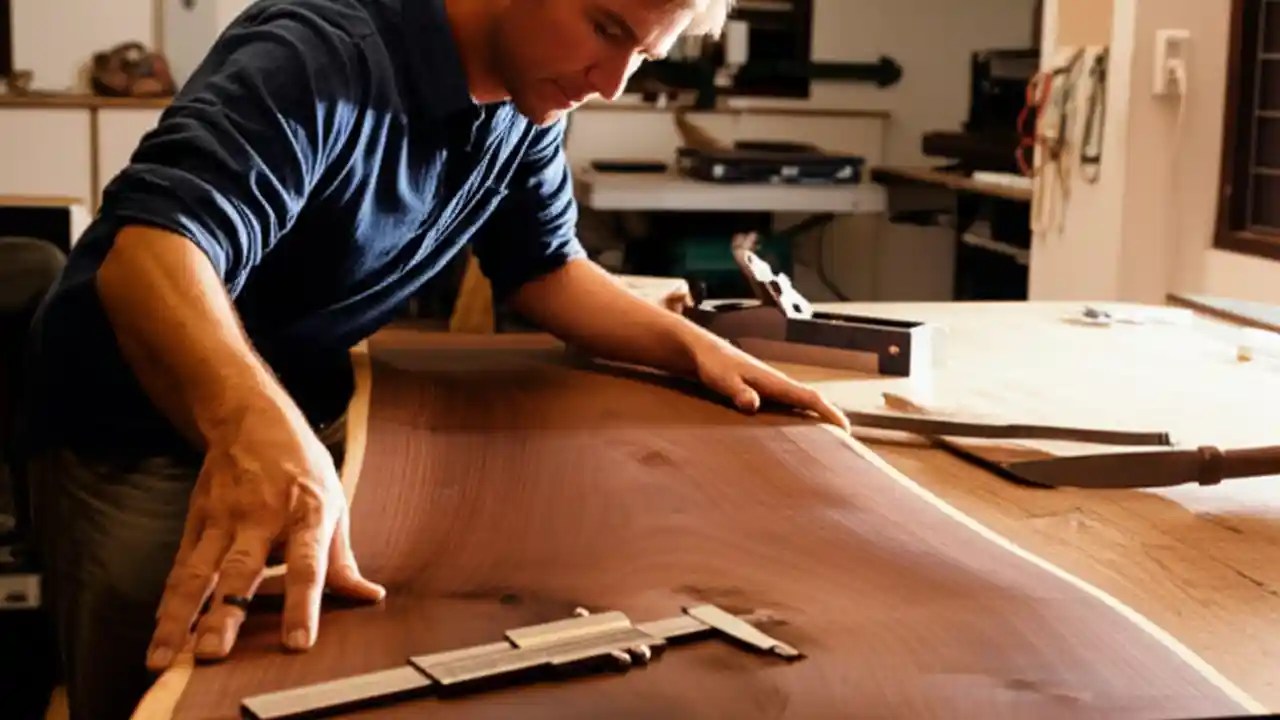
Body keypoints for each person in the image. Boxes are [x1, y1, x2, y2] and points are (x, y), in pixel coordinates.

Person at [23, 0, 852, 717]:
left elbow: (547, 268)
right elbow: (153, 255)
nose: (611, 83)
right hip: (125, 415)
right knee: (165, 683)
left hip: (290, 408)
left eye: (643, 53)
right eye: (604, 27)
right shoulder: (320, 52)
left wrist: (701, 351)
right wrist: (256, 428)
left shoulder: (528, 99)